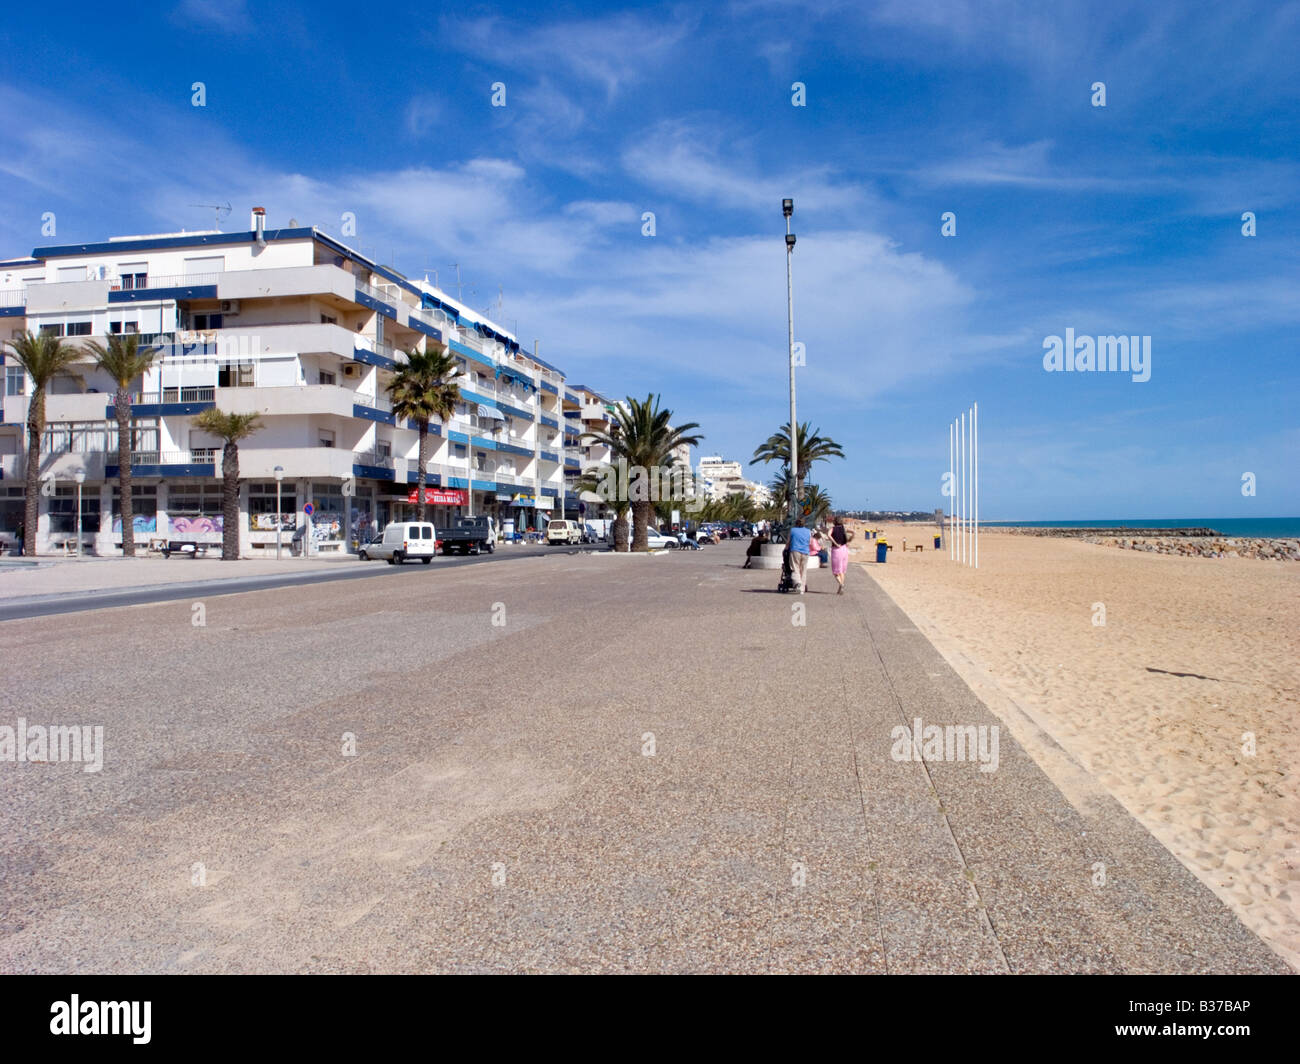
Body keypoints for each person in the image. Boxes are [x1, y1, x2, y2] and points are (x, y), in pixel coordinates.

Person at [830, 516, 854, 594]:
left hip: (837, 550)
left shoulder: (833, 529)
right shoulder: (844, 528)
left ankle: (841, 584)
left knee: (835, 571)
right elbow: (853, 533)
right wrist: (850, 539)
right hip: (844, 550)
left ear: (835, 521)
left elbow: (828, 535)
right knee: (842, 571)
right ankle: (841, 588)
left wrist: (835, 543)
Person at [787, 518, 812, 593]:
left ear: (796, 523)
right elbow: (810, 542)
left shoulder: (792, 530)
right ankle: (802, 589)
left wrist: (785, 549)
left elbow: (788, 542)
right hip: (805, 552)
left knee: (795, 568)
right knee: (803, 570)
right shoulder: (808, 531)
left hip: (795, 551)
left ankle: (797, 582)